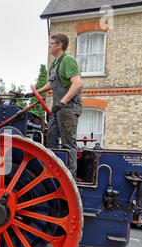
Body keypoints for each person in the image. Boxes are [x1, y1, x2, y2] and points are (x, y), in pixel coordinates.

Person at [37, 33, 83, 179]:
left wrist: (63, 102)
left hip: (68, 108)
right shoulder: (55, 64)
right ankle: (54, 177)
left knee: (68, 144)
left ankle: (71, 179)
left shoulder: (68, 60)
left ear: (59, 45)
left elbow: (77, 83)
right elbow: (51, 83)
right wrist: (34, 92)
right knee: (51, 140)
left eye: (51, 43)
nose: (49, 46)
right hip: (58, 109)